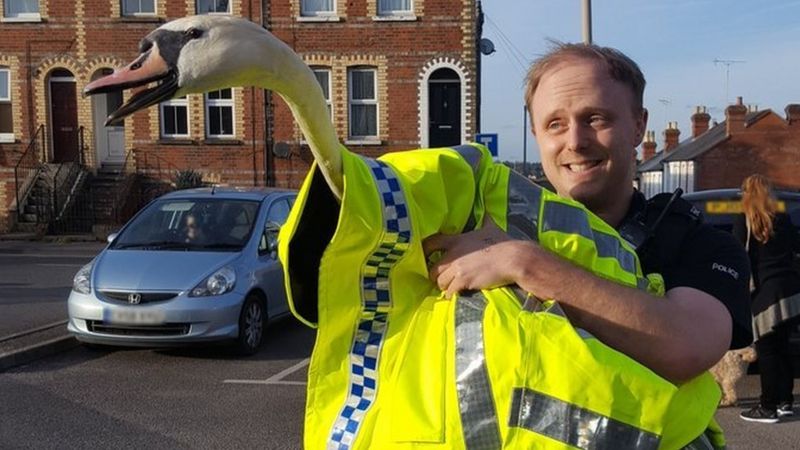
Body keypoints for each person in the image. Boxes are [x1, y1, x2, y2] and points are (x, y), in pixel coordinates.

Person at [423, 42, 753, 384]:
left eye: (595, 118)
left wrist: (524, 264)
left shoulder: (703, 246)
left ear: (638, 125)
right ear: (536, 133)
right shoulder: (477, 231)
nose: (575, 141)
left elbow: (688, 346)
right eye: (555, 124)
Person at [733, 174, 800, 423]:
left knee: (767, 350)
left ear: (747, 193)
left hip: (765, 292)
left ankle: (767, 407)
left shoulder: (745, 220)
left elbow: (738, 256)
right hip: (790, 290)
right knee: (783, 348)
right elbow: (795, 247)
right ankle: (785, 401)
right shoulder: (782, 217)